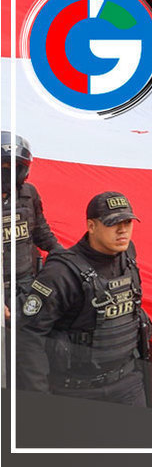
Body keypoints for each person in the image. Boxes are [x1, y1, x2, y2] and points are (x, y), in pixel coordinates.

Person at [18, 192, 152, 406]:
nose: (123, 230)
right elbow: (29, 335)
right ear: (91, 226)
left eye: (128, 222)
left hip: (128, 383)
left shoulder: (128, 255)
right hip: (78, 391)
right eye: (114, 223)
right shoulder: (60, 273)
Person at [2, 133, 63, 385]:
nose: (7, 172)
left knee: (33, 367)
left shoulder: (29, 194)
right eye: (3, 165)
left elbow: (41, 232)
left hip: (26, 288)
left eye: (14, 166)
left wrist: (65, 258)